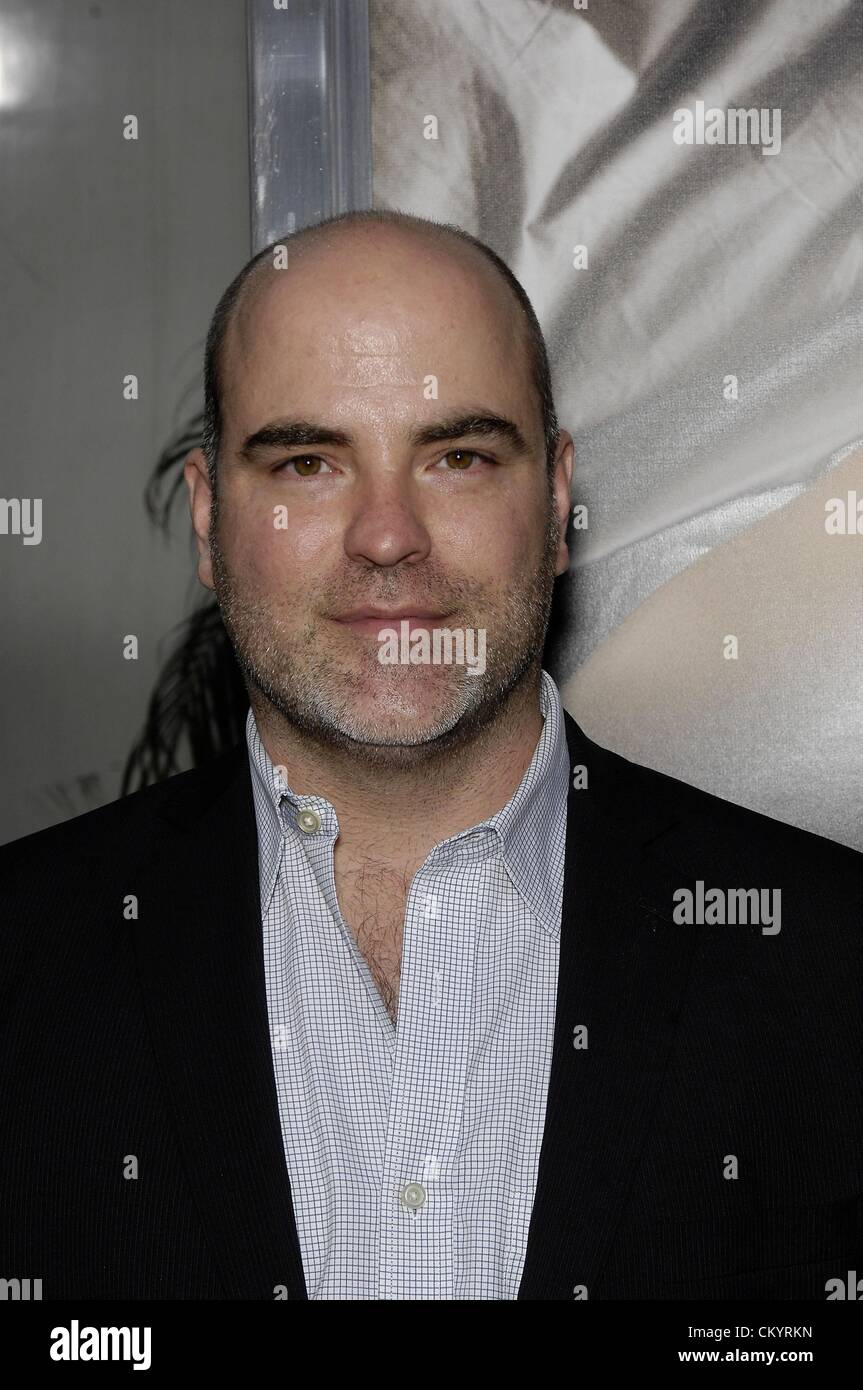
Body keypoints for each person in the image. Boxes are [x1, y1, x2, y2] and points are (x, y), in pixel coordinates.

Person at [1, 210, 861, 1301]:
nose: (387, 534)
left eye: (456, 456)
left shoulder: (826, 964)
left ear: (553, 501)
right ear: (210, 519)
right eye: (308, 461)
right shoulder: (26, 961)